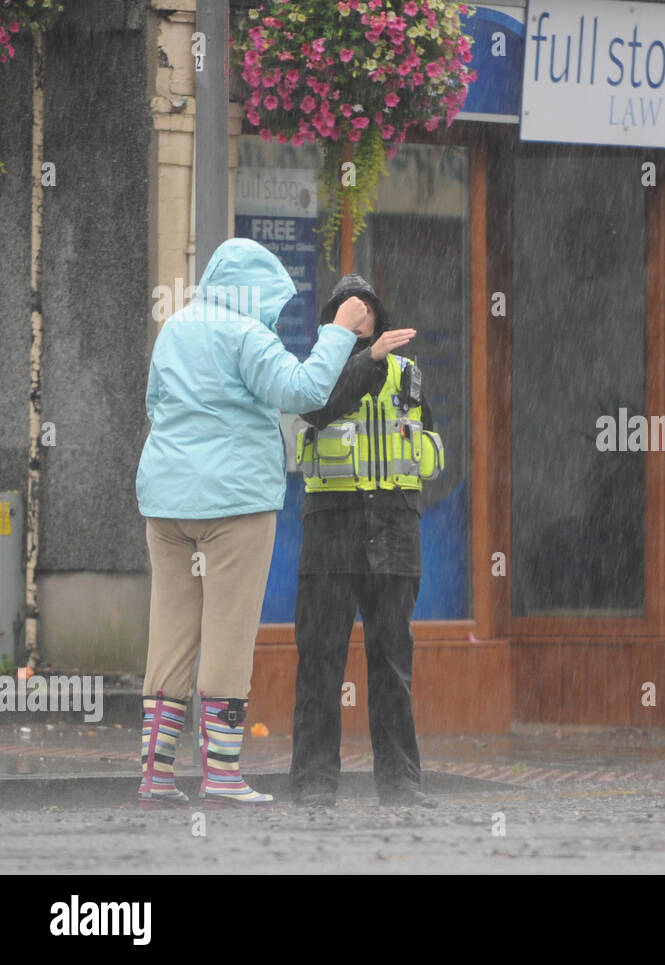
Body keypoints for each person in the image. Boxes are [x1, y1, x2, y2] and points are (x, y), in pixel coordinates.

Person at [135, 238, 371, 809]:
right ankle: (221, 776)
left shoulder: (176, 327)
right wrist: (339, 330)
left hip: (166, 503)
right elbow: (305, 391)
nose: (275, 312)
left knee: (170, 635)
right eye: (273, 300)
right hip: (233, 504)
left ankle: (156, 778)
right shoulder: (246, 335)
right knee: (229, 635)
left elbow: (154, 403)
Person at [289, 274, 441, 808]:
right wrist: (368, 358)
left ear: (380, 313)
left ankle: (401, 784)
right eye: (347, 307)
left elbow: (426, 444)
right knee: (320, 663)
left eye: (367, 306)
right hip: (331, 533)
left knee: (393, 665)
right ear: (333, 317)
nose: (359, 313)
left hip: (395, 535)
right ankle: (313, 783)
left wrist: (382, 361)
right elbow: (319, 409)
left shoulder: (408, 373)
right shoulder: (318, 370)